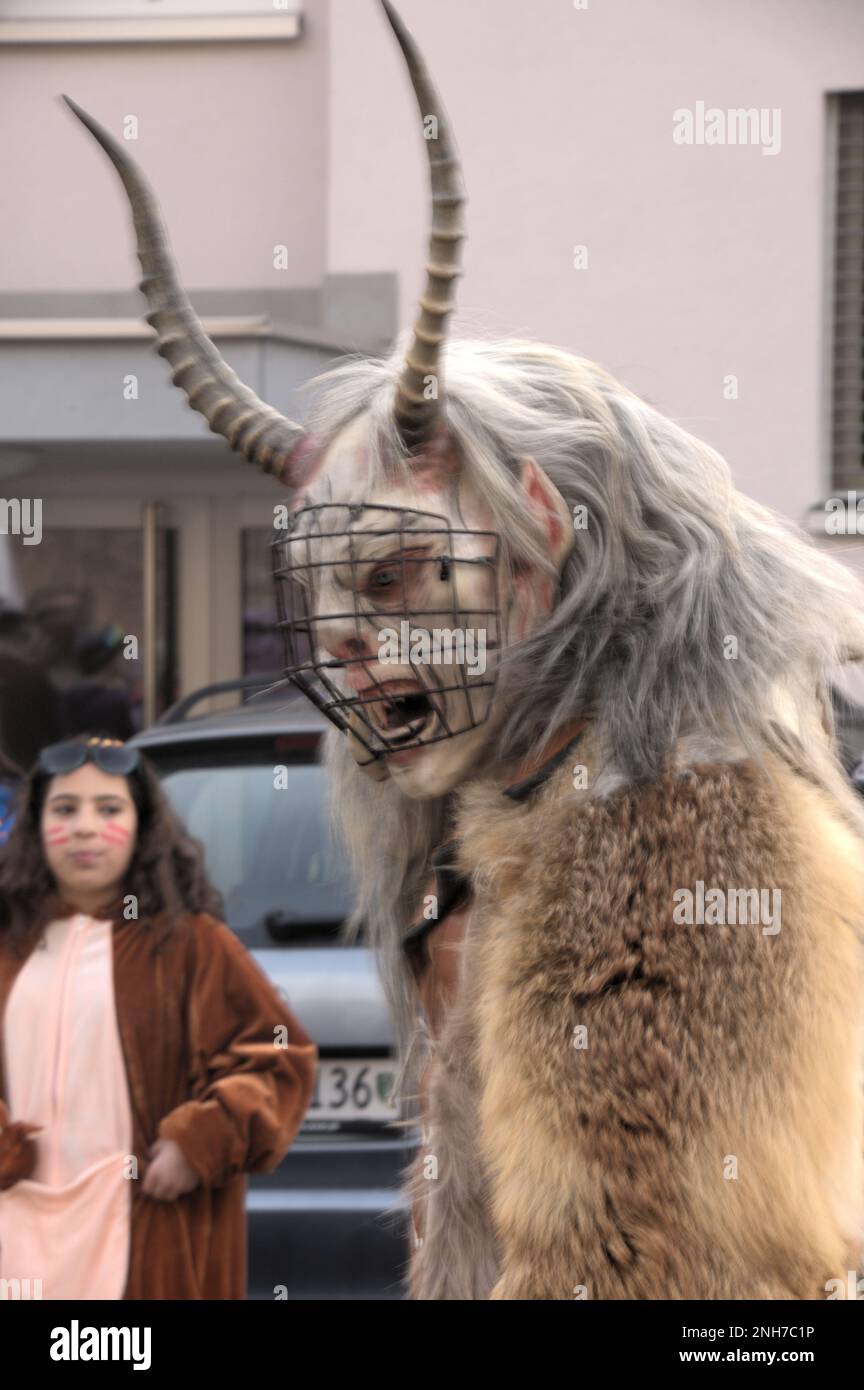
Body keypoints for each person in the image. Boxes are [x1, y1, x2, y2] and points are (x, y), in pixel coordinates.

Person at [64, 2, 864, 1299]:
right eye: (331, 610)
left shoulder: (688, 832)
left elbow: (669, 1269)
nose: (359, 655)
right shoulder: (491, 818)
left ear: (540, 527)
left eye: (390, 579)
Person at [0, 735, 317, 1300]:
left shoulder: (192, 945)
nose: (85, 827)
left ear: (142, 826)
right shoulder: (10, 949)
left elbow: (279, 1060)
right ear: (36, 826)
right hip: (18, 1237)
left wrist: (199, 1143)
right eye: (65, 809)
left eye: (109, 808)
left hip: (150, 1231)